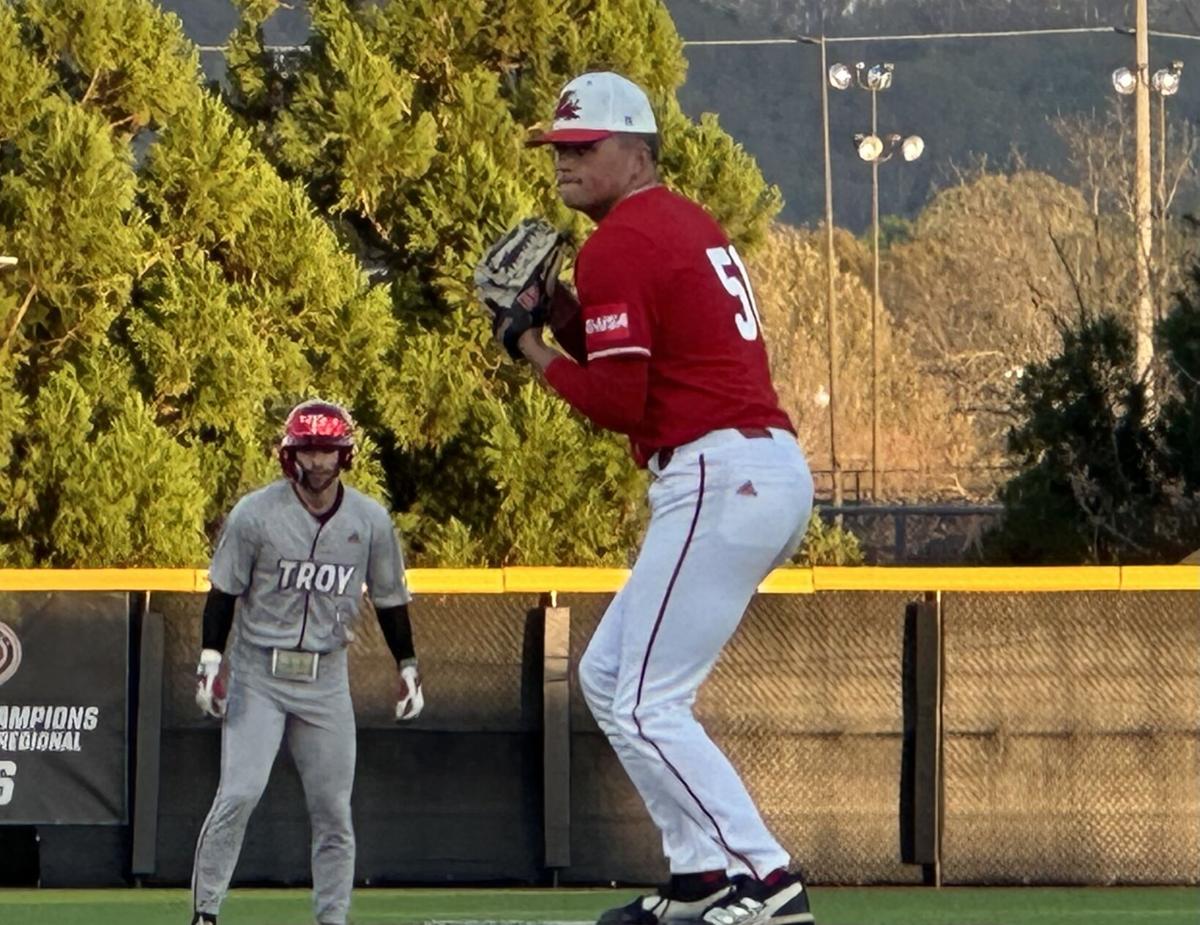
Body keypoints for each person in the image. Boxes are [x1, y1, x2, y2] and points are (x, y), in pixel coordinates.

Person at [509, 72, 816, 925]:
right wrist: (566, 315)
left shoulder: (619, 242)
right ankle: (699, 877)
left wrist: (528, 343)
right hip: (749, 466)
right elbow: (641, 365)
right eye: (558, 147)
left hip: (718, 472)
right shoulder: (676, 223)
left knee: (644, 699)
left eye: (585, 145)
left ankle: (765, 878)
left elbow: (618, 404)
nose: (565, 160)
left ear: (637, 151)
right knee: (609, 675)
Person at [189, 399, 424, 925]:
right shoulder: (256, 513)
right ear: (289, 454)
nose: (318, 462)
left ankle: (332, 919)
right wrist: (210, 660)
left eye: (327, 450)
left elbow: (389, 597)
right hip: (259, 671)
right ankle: (205, 913)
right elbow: (224, 591)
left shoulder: (370, 519)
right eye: (309, 450)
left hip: (326, 676)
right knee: (240, 794)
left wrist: (407, 664)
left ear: (345, 455)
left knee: (334, 812)